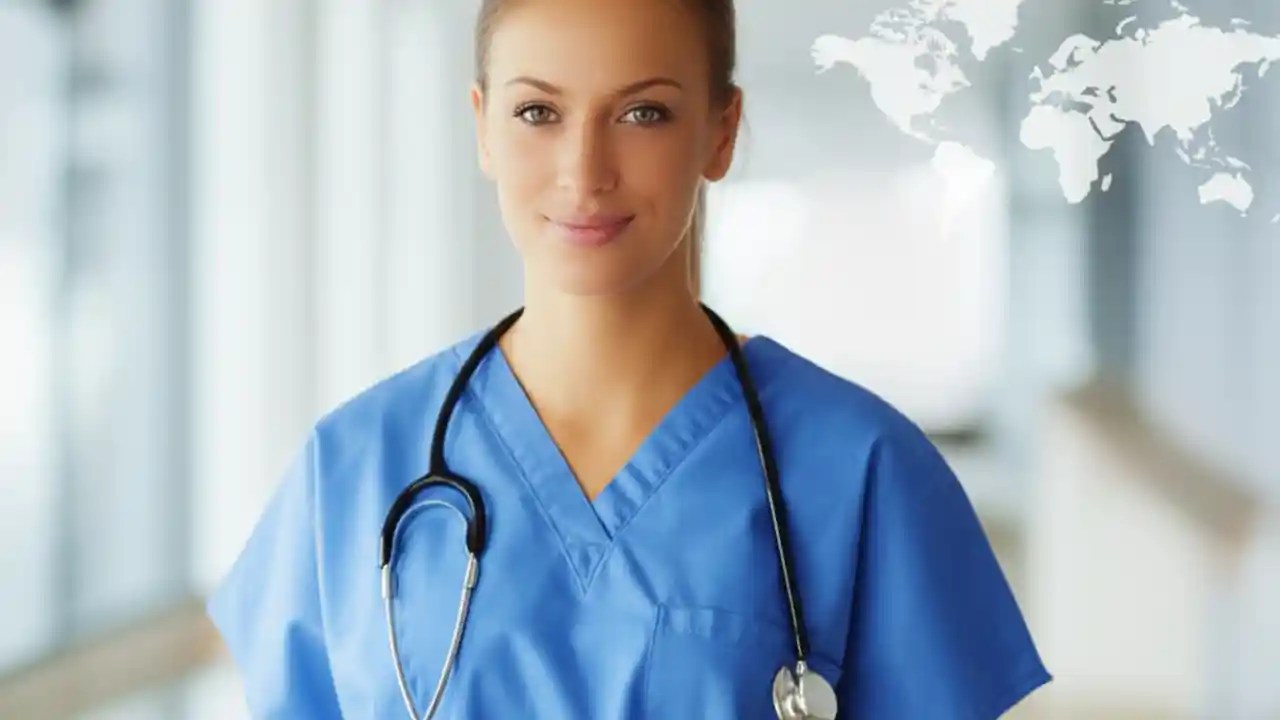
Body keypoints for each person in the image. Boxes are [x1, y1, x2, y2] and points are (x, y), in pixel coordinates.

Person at [206, 0, 1052, 717]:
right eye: (539, 112)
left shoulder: (862, 468)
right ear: (482, 128)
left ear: (721, 135)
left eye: (643, 112)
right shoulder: (353, 467)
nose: (585, 172)